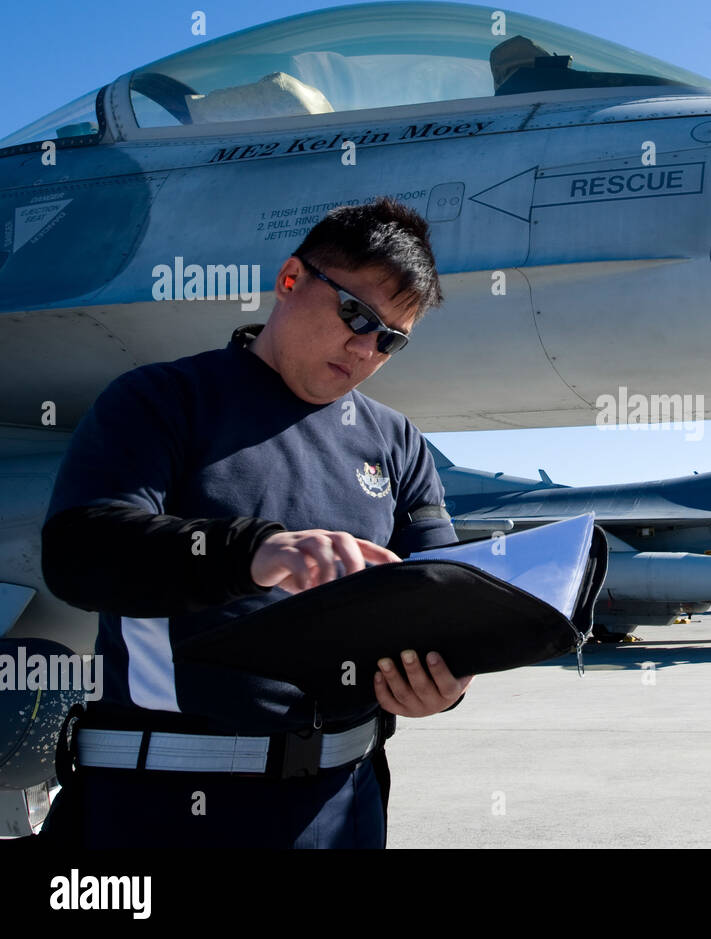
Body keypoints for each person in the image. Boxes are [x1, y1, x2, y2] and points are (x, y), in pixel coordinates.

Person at [39, 197, 470, 848]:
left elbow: (443, 588)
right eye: (356, 313)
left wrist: (448, 678)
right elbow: (81, 548)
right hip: (163, 806)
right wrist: (254, 551)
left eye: (390, 338)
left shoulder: (397, 442)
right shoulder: (162, 400)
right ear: (290, 279)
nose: (365, 346)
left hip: (342, 808)